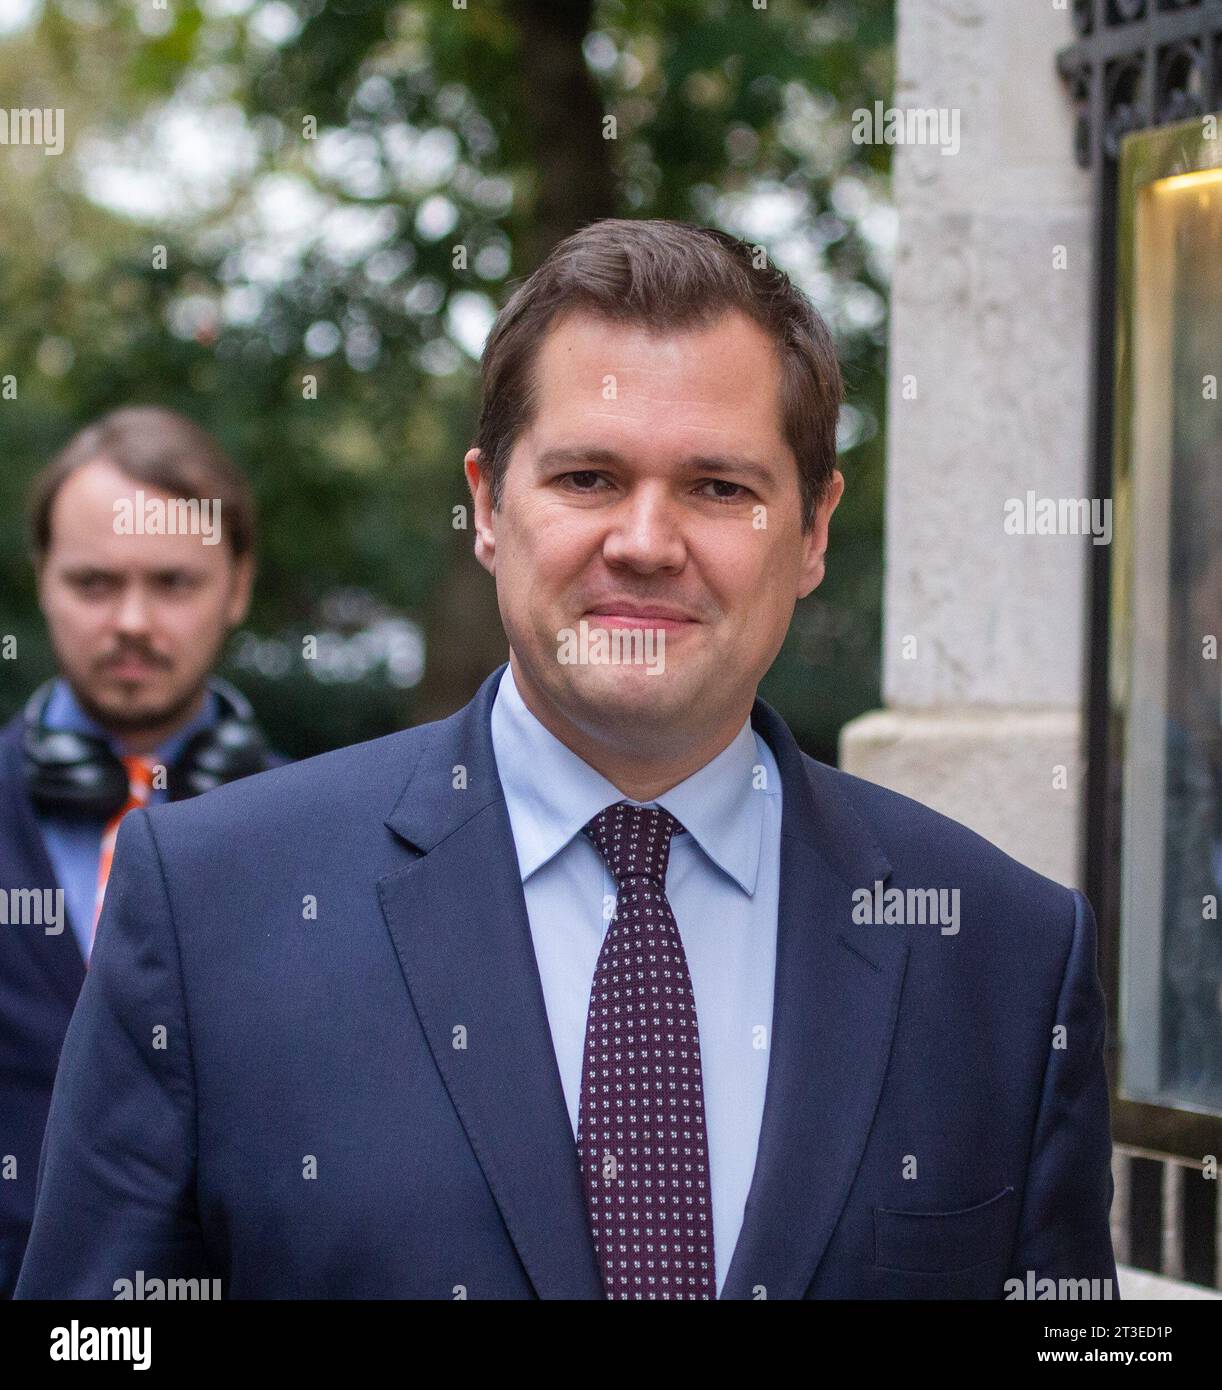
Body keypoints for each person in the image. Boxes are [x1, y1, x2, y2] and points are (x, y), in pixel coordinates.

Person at [15, 223, 1117, 1300]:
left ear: (815, 529)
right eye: (588, 478)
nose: (644, 541)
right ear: (488, 504)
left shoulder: (1005, 956)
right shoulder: (210, 908)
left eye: (718, 487)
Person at [0, 407, 280, 1298]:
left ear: (238, 586)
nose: (131, 621)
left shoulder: (325, 834)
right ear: (41, 578)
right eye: (92, 583)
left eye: (172, 582)